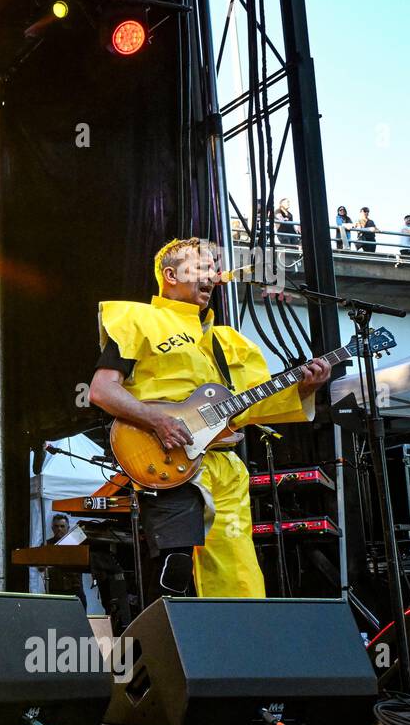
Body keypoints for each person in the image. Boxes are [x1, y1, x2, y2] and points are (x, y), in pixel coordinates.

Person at [88, 238, 331, 600]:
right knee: (176, 571)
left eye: (214, 268)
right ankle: (167, 648)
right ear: (170, 275)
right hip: (165, 453)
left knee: (240, 574)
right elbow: (102, 390)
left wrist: (306, 388)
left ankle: (241, 646)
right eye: (201, 267)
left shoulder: (229, 341)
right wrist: (157, 421)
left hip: (225, 465)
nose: (213, 275)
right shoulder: (137, 319)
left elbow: (253, 407)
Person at [43, 514, 86, 603]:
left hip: (75, 589)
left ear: (68, 527)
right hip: (55, 590)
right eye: (56, 526)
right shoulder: (46, 545)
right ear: (52, 528)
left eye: (62, 526)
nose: (59, 529)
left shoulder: (77, 544)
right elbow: (40, 567)